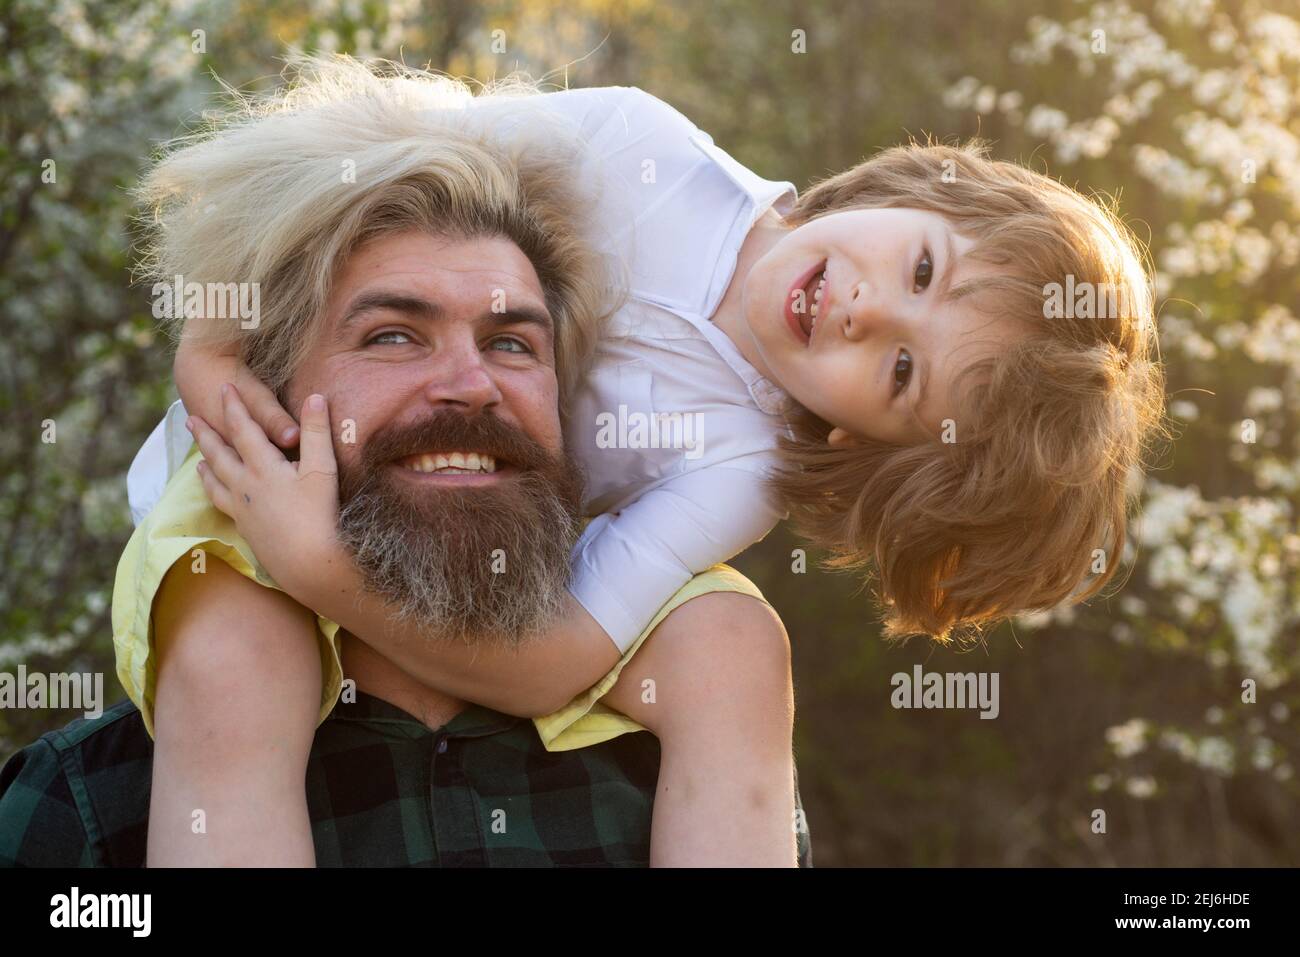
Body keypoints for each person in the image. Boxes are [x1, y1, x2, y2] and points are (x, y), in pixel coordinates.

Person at [126, 54, 1166, 866]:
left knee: (729, 647)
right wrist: (209, 347)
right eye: (922, 266)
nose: (864, 307)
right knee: (238, 664)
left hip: (487, 538)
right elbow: (325, 166)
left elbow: (569, 650)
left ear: (872, 444)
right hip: (273, 461)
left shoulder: (743, 468)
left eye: (900, 369)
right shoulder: (639, 144)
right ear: (913, 187)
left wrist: (332, 580)